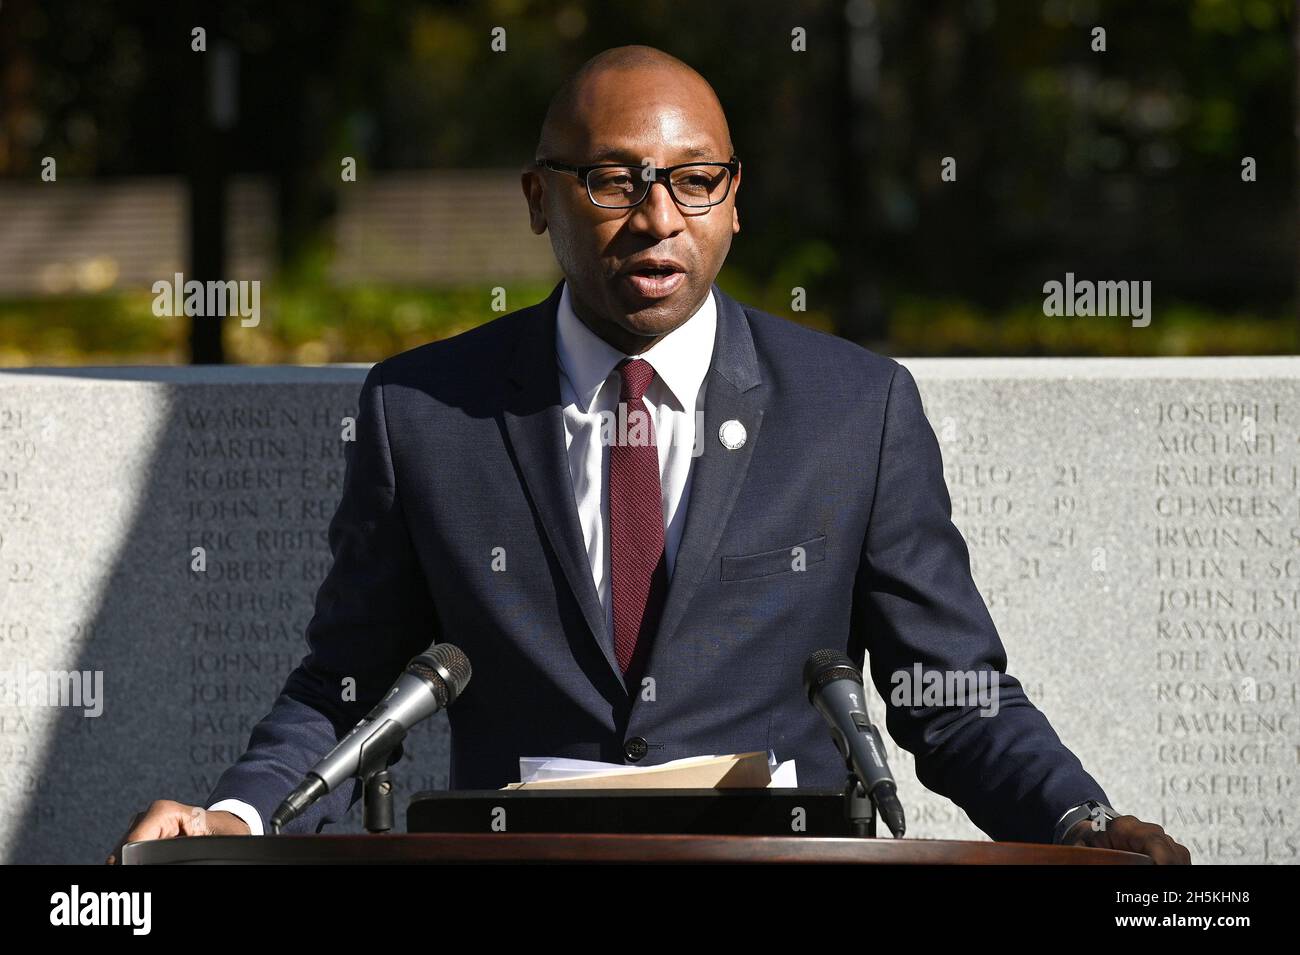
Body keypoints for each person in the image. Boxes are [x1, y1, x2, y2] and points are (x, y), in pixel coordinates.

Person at [109, 45, 1190, 864]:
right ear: (540, 198)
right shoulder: (425, 412)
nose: (656, 219)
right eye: (614, 181)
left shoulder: (852, 411)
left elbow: (947, 694)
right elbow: (345, 685)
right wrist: (234, 817)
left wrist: (1079, 820)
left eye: (695, 181)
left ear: (734, 202)